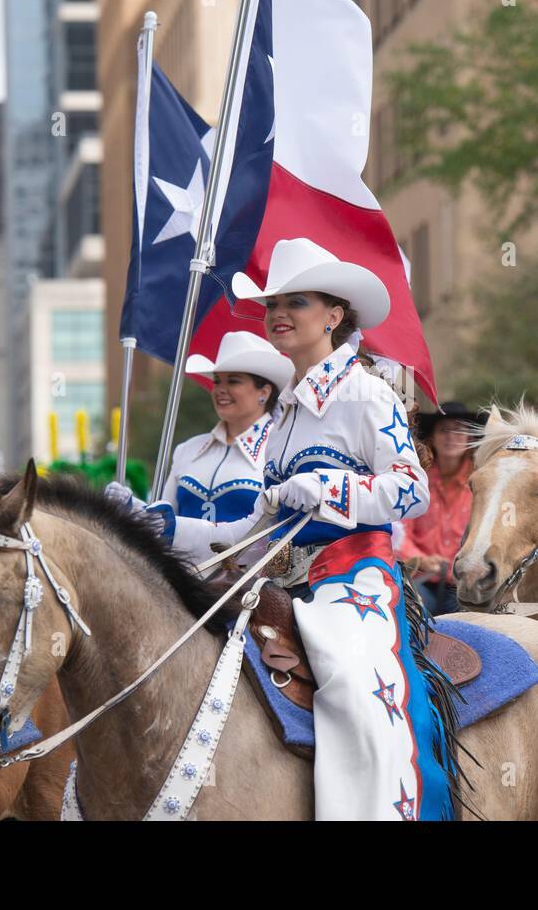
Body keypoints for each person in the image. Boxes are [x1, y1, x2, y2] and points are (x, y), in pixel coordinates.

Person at [112, 237, 452, 820]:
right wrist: (157, 524)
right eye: (272, 306)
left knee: (353, 688)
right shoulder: (286, 413)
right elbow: (251, 528)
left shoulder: (366, 393)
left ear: (334, 316)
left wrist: (331, 489)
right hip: (280, 580)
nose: (278, 315)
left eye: (294, 303)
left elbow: (413, 490)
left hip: (355, 578)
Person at [108, 332, 291, 530]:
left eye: (233, 381)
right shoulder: (188, 450)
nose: (220, 389)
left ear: (263, 392)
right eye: (217, 381)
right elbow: (159, 524)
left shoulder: (282, 448)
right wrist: (131, 508)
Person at [399, 401, 481, 615]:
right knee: (412, 608)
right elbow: (401, 530)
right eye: (444, 430)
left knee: (467, 618)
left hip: (464, 582)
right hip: (420, 578)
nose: (451, 437)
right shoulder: (417, 479)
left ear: (470, 439)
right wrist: (422, 560)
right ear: (432, 439)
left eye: (459, 430)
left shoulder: (480, 484)